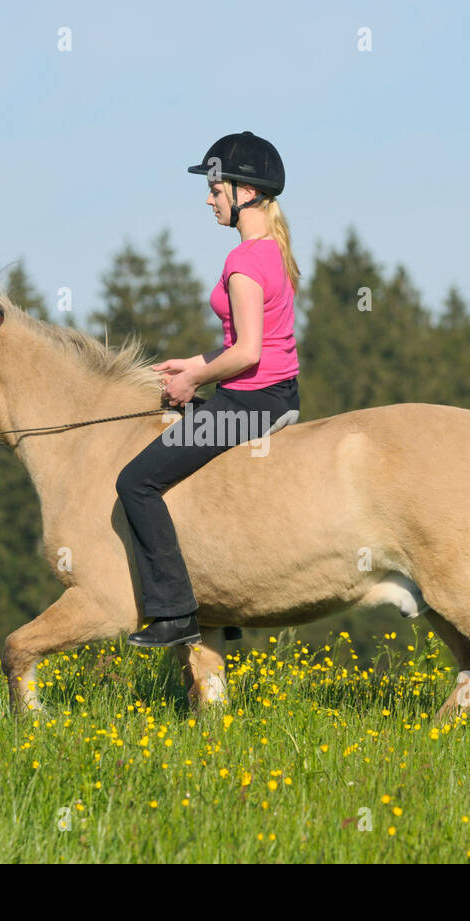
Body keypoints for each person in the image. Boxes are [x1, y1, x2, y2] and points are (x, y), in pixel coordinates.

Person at [117, 131, 303, 648]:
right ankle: (225, 604)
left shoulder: (241, 262)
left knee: (136, 482)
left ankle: (175, 613)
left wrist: (194, 379)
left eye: (216, 188)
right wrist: (192, 362)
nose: (209, 197)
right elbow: (253, 342)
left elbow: (246, 353)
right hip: (276, 395)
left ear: (246, 192)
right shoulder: (272, 251)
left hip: (248, 404)